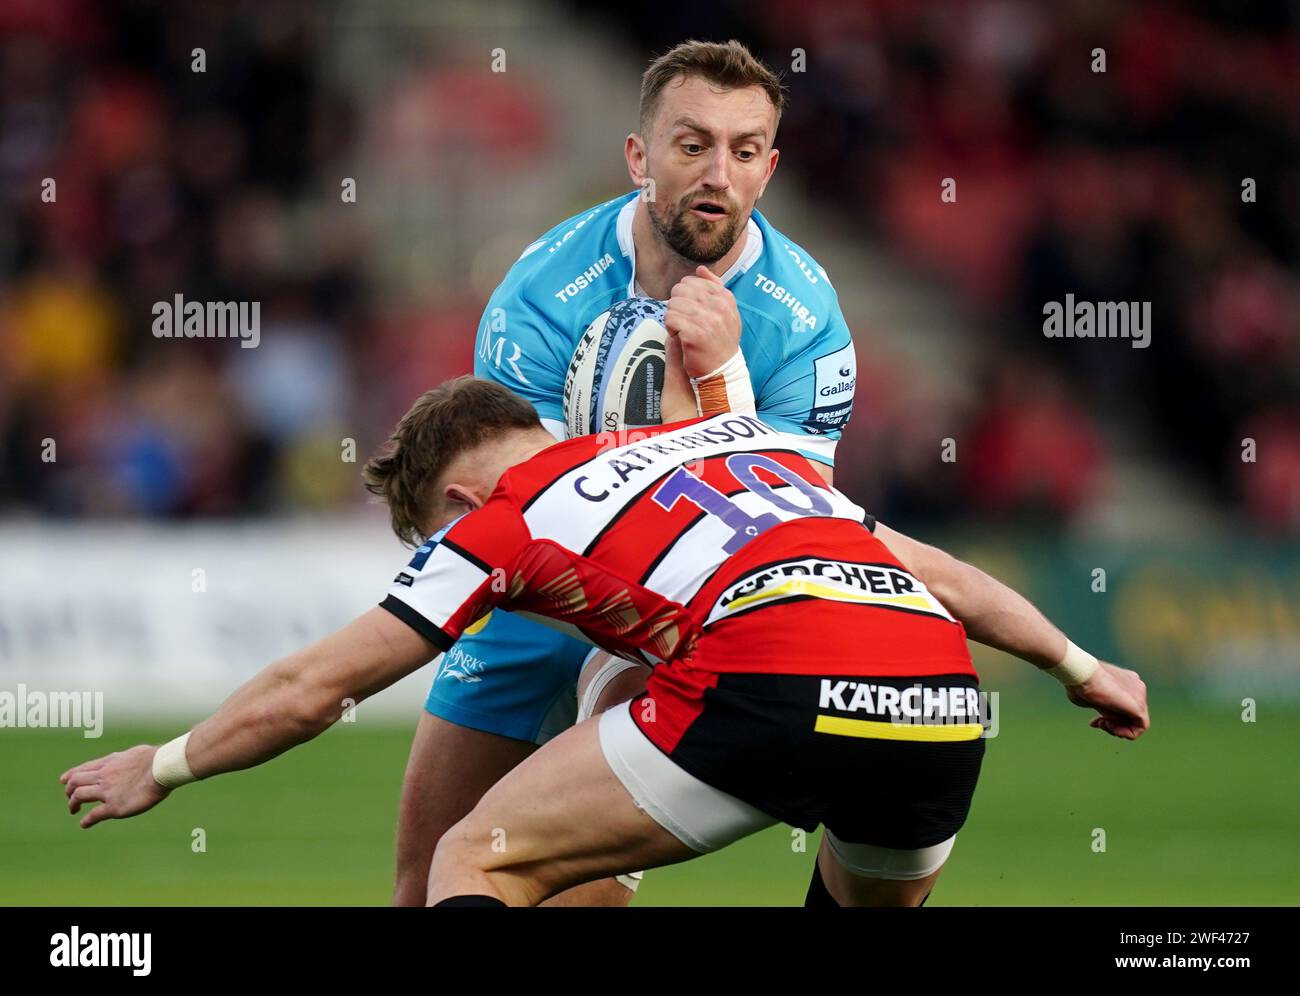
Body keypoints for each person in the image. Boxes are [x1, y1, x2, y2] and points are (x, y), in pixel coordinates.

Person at [61, 378, 1150, 907]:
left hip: (771, 670)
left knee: (475, 856)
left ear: (453, 495)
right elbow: (944, 578)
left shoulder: (502, 520)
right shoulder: (738, 444)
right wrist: (1085, 669)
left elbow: (316, 686)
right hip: (938, 700)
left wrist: (164, 765)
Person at [397, 39, 860, 906]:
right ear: (639, 157)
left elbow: (786, 529)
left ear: (770, 169)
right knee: (423, 886)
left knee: (572, 883)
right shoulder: (541, 289)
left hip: (680, 613)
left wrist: (725, 376)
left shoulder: (806, 322)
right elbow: (518, 509)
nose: (718, 172)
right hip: (538, 598)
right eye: (692, 145)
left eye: (745, 150)